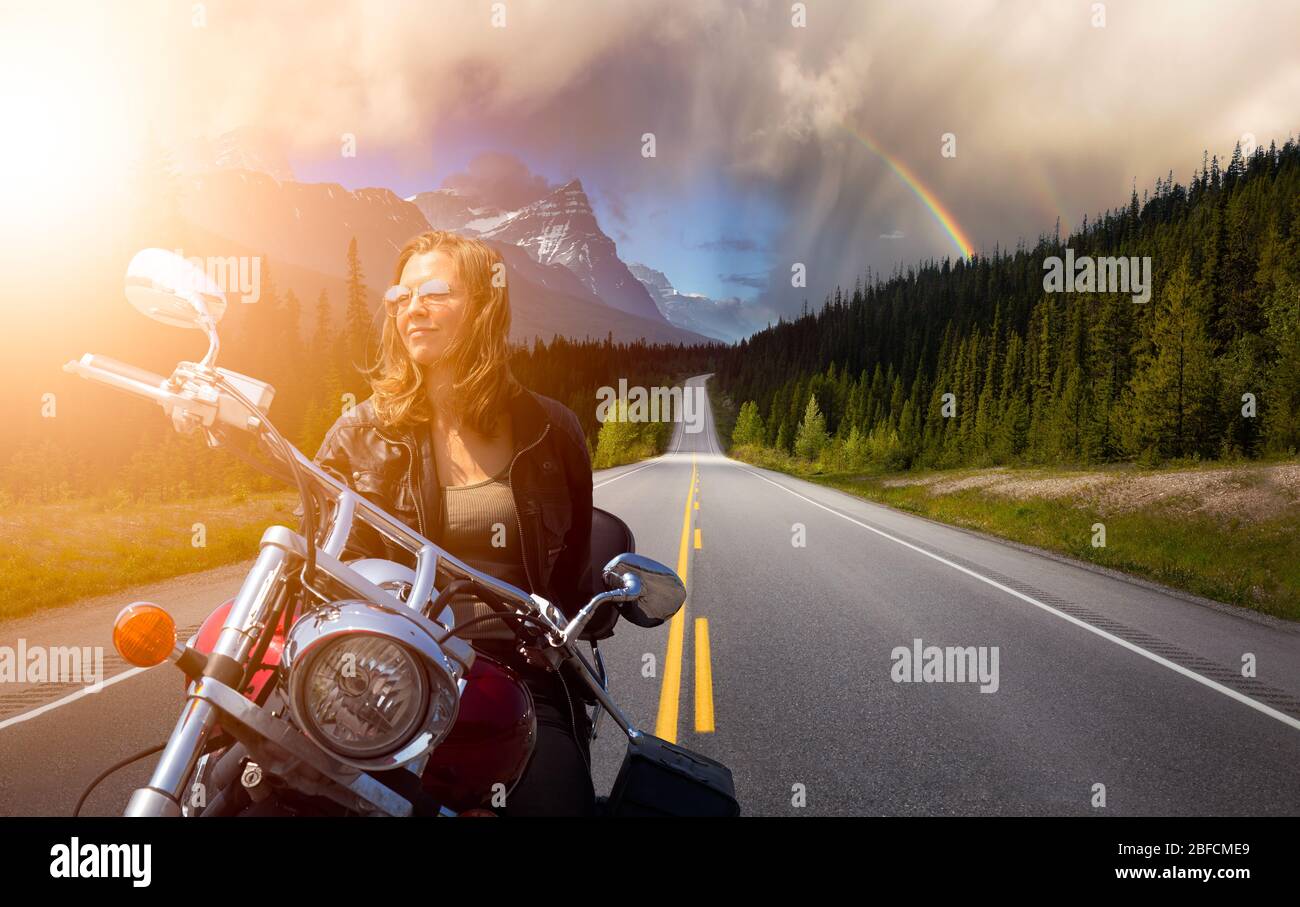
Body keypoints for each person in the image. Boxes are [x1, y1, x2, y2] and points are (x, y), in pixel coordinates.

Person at [311, 230, 597, 816]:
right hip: (386, 672)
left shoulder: (552, 433)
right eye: (400, 295)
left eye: (436, 292)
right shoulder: (356, 436)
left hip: (517, 674)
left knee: (557, 803)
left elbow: (569, 576)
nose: (412, 308)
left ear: (486, 306)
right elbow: (321, 580)